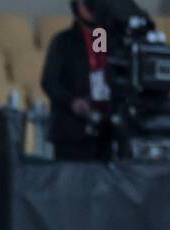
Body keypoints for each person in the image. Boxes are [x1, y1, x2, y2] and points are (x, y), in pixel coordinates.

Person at [41, 1, 113, 161]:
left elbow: (100, 71)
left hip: (103, 132)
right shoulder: (63, 41)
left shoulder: (101, 38)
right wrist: (72, 102)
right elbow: (49, 82)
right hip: (70, 133)